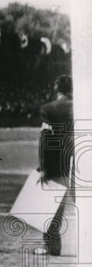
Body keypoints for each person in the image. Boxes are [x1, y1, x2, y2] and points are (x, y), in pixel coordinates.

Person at [38, 75, 74, 255]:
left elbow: (45, 138)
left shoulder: (48, 109)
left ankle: (52, 245)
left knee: (52, 205)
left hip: (56, 162)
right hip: (79, 161)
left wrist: (43, 166)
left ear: (56, 87)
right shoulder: (81, 107)